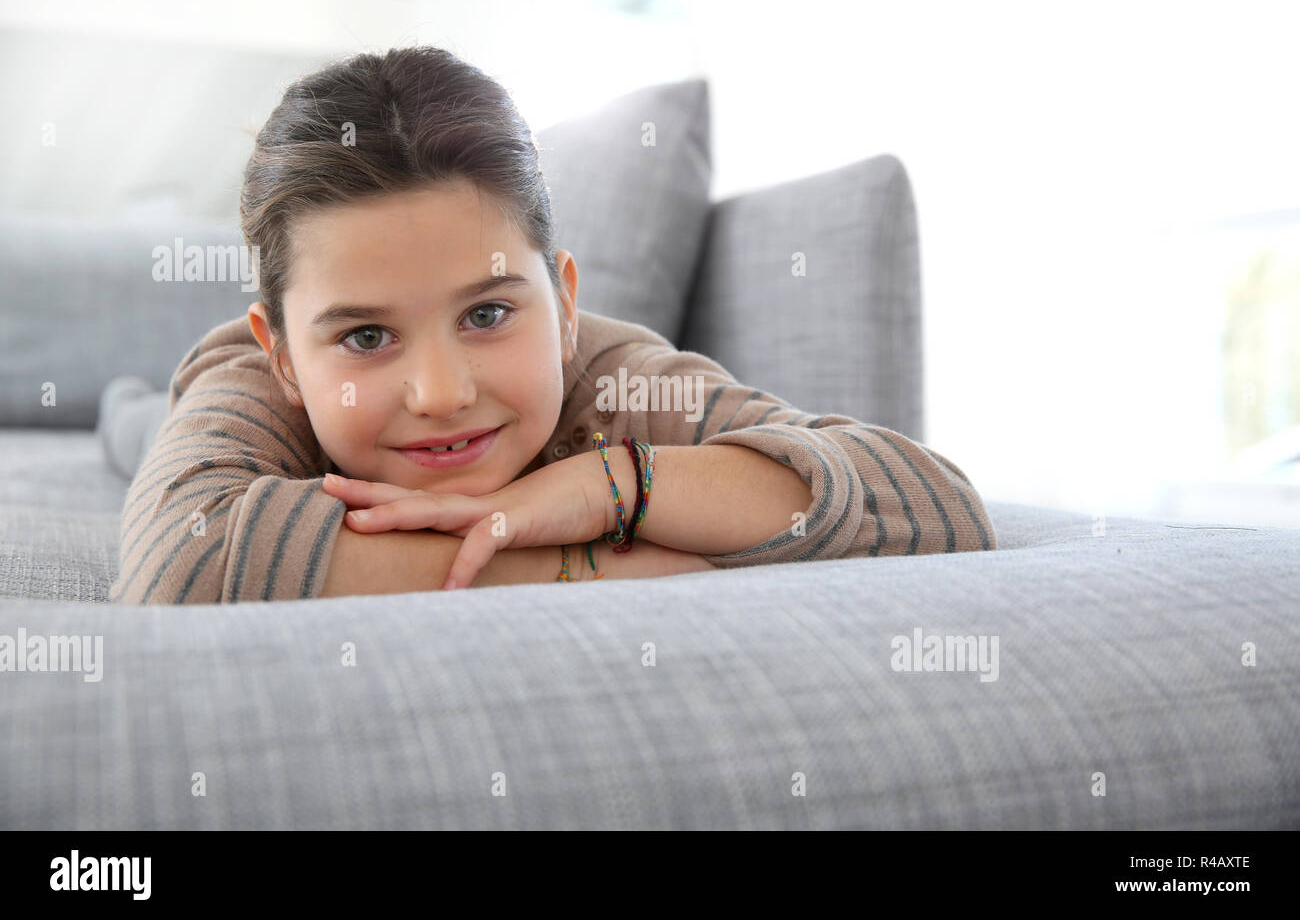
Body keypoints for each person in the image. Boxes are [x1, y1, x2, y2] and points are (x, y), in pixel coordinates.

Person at [111, 45, 995, 605]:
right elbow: (175, 566)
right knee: (137, 425)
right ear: (289, 361)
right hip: (189, 407)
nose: (444, 393)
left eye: (489, 313)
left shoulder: (610, 380)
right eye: (366, 337)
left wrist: (605, 487)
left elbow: (937, 506)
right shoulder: (257, 382)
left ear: (565, 308)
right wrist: (566, 564)